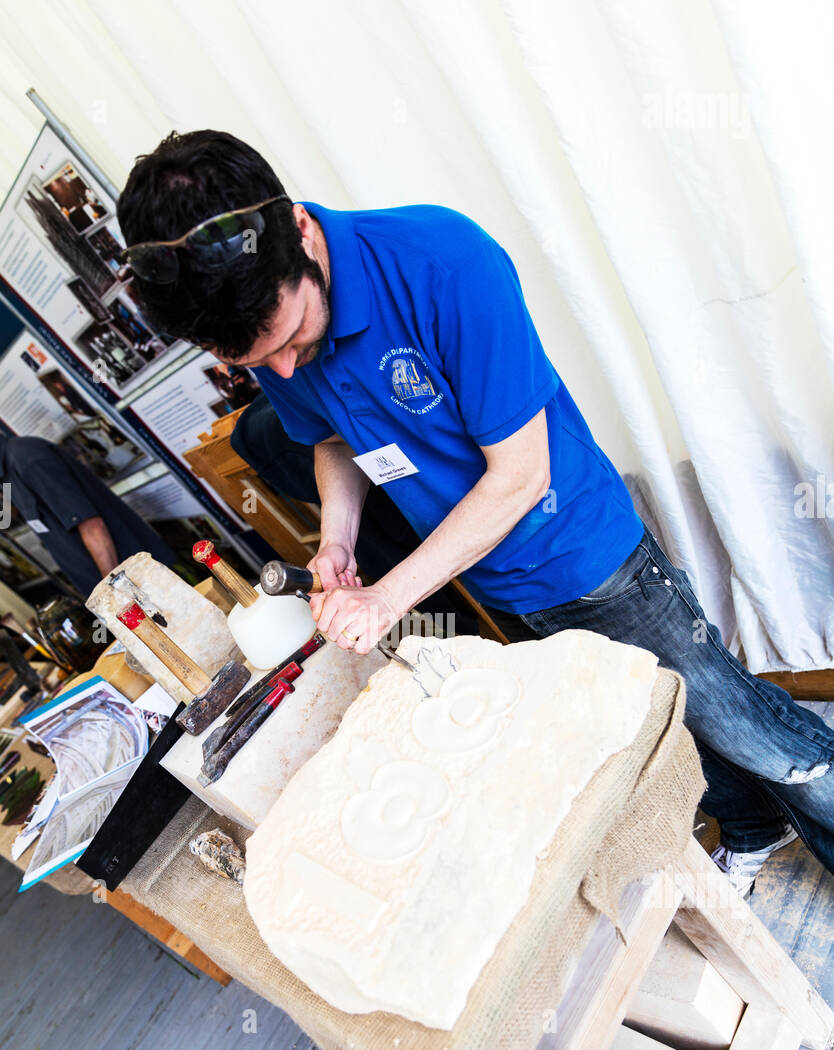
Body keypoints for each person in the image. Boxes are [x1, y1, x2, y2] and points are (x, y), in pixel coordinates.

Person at [116, 130, 834, 895]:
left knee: (745, 726)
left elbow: (520, 480)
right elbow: (326, 434)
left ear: (297, 229)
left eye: (292, 337)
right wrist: (337, 539)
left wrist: (388, 596)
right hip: (490, 575)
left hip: (587, 559)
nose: (286, 368)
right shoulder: (266, 326)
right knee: (648, 721)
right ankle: (755, 824)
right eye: (261, 363)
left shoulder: (444, 263)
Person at [0, 406, 178, 596]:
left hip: (141, 586)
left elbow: (92, 525)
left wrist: (115, 593)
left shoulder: (27, 458)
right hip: (122, 591)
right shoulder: (2, 473)